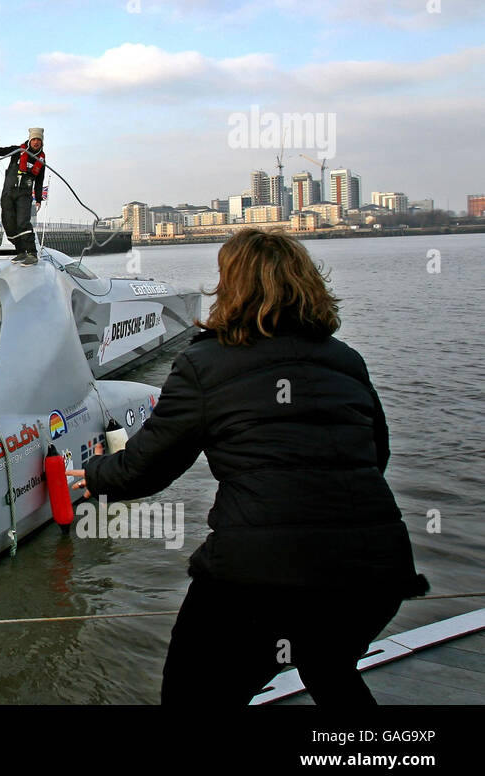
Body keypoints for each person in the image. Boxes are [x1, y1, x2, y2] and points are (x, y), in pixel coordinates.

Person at [70, 228, 425, 706]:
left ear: (231, 287)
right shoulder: (346, 361)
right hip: (373, 576)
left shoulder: (205, 364)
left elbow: (150, 466)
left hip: (260, 581)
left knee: (194, 696)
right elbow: (375, 457)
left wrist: (92, 476)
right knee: (331, 672)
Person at [0, 127, 46, 265]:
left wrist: (38, 199)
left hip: (24, 194)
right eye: (34, 139)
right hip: (8, 193)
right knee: (8, 223)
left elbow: (39, 181)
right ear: (30, 140)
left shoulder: (41, 161)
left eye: (39, 140)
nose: (36, 142)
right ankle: (20, 251)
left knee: (22, 222)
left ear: (42, 142)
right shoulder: (17, 151)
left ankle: (32, 253)